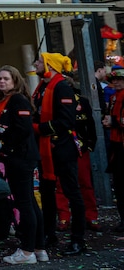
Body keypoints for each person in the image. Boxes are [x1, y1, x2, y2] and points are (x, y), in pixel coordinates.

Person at [0, 65, 46, 265]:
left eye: (6, 78)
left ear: (15, 81)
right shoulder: (7, 100)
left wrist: (5, 147)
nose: (2, 82)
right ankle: (39, 248)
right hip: (19, 157)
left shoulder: (18, 100)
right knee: (29, 202)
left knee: (25, 204)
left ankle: (27, 251)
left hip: (20, 158)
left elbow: (23, 129)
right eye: (0, 79)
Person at [32, 52, 85, 256]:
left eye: (38, 61)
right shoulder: (42, 87)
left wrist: (38, 128)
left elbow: (66, 122)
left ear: (49, 65)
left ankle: (78, 240)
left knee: (73, 194)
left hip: (61, 148)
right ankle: (49, 234)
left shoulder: (62, 87)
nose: (35, 63)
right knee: (46, 193)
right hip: (45, 149)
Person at [55, 80, 99, 232]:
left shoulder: (83, 101)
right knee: (61, 185)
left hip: (80, 148)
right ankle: (64, 217)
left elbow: (91, 124)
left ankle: (91, 216)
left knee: (85, 183)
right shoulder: (54, 101)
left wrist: (90, 143)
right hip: (62, 147)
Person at [102, 67, 124, 233]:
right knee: (119, 184)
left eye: (119, 79)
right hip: (116, 144)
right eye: (113, 79)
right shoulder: (114, 96)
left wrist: (113, 122)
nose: (116, 82)